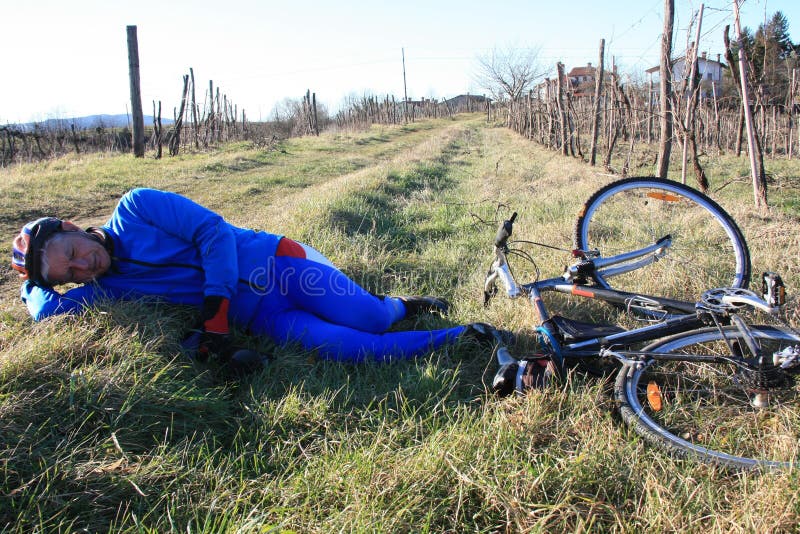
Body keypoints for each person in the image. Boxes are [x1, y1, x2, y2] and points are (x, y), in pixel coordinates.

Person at [12, 187, 500, 368]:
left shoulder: (135, 208)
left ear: (73, 227)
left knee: (372, 320)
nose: (83, 267)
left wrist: (215, 308)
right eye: (69, 274)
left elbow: (213, 232)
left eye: (74, 252)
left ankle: (399, 303)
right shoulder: (107, 289)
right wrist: (31, 282)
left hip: (280, 265)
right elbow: (50, 313)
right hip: (265, 313)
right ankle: (463, 336)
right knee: (355, 351)